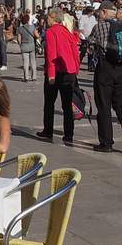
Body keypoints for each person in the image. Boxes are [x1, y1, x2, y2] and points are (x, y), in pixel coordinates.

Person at [90, 2, 122, 153]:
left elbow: (91, 45)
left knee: (104, 105)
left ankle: (106, 143)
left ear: (104, 12)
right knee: (121, 105)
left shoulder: (99, 27)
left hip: (106, 69)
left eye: (99, 12)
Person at [38, 8, 80, 144]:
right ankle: (69, 134)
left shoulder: (51, 32)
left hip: (56, 72)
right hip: (70, 71)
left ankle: (48, 130)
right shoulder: (66, 31)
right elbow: (75, 50)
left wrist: (51, 75)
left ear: (53, 18)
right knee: (67, 105)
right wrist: (76, 68)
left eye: (48, 18)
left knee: (49, 103)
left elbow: (51, 55)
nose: (46, 20)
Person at [15, 11, 38, 82]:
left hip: (24, 46)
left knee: (25, 62)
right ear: (28, 20)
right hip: (32, 46)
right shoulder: (32, 27)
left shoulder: (20, 28)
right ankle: (34, 77)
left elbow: (18, 39)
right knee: (33, 62)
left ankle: (26, 77)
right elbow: (37, 36)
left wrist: (20, 44)